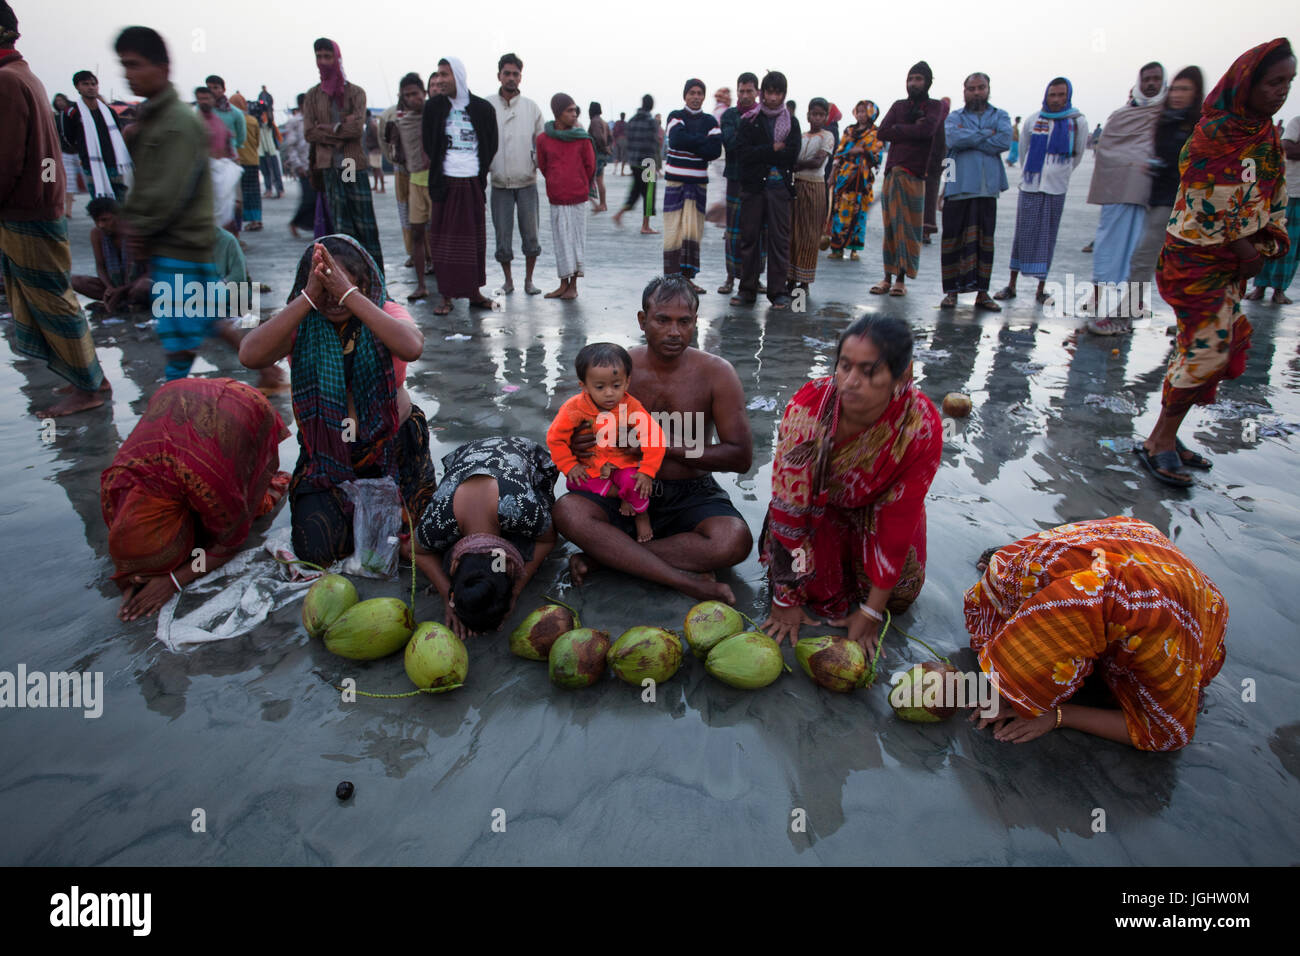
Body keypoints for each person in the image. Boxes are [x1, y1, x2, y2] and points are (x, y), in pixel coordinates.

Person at [1136, 39, 1294, 489]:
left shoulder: (1262, 133)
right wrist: (1245, 248)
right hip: (1196, 260)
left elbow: (1267, 194)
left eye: (1287, 83)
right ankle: (1159, 442)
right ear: (1248, 83)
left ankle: (1164, 436)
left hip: (1232, 262)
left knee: (1198, 349)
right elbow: (1209, 199)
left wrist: (1260, 244)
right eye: (1273, 82)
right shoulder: (1215, 134)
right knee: (1207, 351)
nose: (1280, 91)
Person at [553, 276, 752, 603]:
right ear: (643, 321)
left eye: (684, 321)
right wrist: (580, 444)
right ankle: (686, 581)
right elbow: (577, 432)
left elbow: (740, 457)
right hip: (622, 488)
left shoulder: (718, 373)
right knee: (567, 511)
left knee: (733, 540)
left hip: (691, 492)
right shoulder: (616, 370)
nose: (675, 331)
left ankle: (606, 559)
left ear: (695, 323)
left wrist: (661, 445)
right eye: (663, 320)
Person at [238, 235, 436, 565]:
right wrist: (308, 298)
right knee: (319, 550)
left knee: (414, 538)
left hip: (392, 451)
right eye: (324, 288)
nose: (334, 300)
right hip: (326, 461)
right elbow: (250, 355)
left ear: (363, 282)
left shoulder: (383, 309)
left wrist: (350, 295)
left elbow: (412, 347)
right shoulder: (300, 319)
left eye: (341, 286)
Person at [966, 517, 1227, 751]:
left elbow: (1165, 733)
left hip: (1186, 601)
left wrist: (1058, 715)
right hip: (1132, 545)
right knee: (1009, 576)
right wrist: (1005, 683)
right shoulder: (1035, 562)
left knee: (1130, 700)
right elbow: (996, 597)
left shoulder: (1165, 641)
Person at [759, 315, 942, 650]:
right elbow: (789, 509)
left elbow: (900, 516)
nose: (850, 382)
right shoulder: (808, 409)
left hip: (879, 511)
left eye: (868, 371)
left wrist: (873, 610)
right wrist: (786, 600)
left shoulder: (920, 426)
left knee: (900, 593)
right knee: (810, 589)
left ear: (902, 376)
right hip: (817, 510)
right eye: (844, 366)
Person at [102, 377, 291, 622]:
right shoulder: (114, 488)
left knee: (242, 510)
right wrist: (131, 579)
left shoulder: (213, 487)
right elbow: (130, 538)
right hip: (177, 396)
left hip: (241, 404)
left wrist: (173, 580)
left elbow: (228, 544)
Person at [0, 1, 110, 417]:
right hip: (37, 206)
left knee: (52, 299)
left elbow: (7, 159)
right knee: (52, 295)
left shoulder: (7, 81)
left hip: (26, 210)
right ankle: (91, 378)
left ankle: (88, 387)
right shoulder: (24, 76)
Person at [412, 437, 558, 639]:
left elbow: (548, 539)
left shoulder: (520, 509)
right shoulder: (439, 519)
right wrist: (448, 596)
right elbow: (416, 550)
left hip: (526, 453)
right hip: (470, 451)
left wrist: (516, 590)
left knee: (528, 544)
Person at [547, 342, 666, 544]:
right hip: (592, 467)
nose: (609, 393)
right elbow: (555, 438)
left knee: (634, 482)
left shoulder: (631, 406)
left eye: (616, 385)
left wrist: (647, 470)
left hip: (623, 464)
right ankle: (623, 496)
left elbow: (654, 436)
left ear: (627, 382)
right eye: (600, 387)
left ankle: (641, 514)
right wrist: (570, 465)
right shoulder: (574, 408)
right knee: (573, 481)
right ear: (583, 386)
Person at [1085, 61, 1167, 330]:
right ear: (1139, 82)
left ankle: (1134, 302)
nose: (1152, 84)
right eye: (1147, 79)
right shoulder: (1121, 115)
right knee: (1108, 243)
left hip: (1150, 193)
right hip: (1119, 188)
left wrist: (1147, 163)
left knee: (1141, 250)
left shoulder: (1169, 115)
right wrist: (1133, 161)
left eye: (1156, 79)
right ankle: (1096, 295)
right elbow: (1106, 148)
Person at [994, 78, 1087, 303]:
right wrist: (1034, 172)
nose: (1055, 100)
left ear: (1068, 96)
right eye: (1052, 95)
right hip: (1031, 186)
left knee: (1048, 237)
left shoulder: (1077, 122)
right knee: (1022, 235)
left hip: (1056, 189)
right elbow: (1024, 152)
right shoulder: (1033, 120)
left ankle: (1040, 289)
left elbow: (1078, 154)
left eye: (1060, 95)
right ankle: (1012, 284)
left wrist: (1059, 173)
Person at [423, 56, 499, 315]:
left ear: (458, 76)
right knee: (443, 242)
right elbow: (428, 143)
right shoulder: (433, 108)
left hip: (472, 182)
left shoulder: (482, 109)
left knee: (473, 241)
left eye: (445, 75)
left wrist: (474, 171)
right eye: (438, 75)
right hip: (443, 182)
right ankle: (446, 296)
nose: (441, 80)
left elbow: (491, 144)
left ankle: (474, 293)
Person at [1126, 67, 1202, 316]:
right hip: (1158, 198)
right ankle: (1130, 308)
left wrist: (1162, 165)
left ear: (1196, 92)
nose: (1178, 94)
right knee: (1144, 257)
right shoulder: (1164, 121)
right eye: (1176, 88)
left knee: (1176, 264)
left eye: (1185, 89)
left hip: (1183, 203)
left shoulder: (1199, 127)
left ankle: (1128, 314)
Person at [303, 39, 384, 271]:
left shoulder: (355, 93)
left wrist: (327, 128)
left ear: (337, 59)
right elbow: (309, 132)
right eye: (319, 57)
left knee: (363, 224)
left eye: (327, 57)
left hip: (349, 163)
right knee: (341, 227)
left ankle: (375, 278)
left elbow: (357, 129)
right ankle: (349, 280)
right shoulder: (312, 96)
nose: (323, 62)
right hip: (328, 166)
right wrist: (340, 129)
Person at [939, 73, 1012, 311]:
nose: (977, 92)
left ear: (988, 89)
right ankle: (951, 293)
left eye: (981, 88)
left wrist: (970, 137)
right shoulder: (954, 118)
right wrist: (986, 135)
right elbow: (953, 139)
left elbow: (1003, 141)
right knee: (952, 242)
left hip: (986, 189)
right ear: (964, 91)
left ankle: (982, 293)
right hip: (957, 187)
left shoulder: (1000, 116)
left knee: (984, 242)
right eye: (972, 88)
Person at [730, 71, 801, 310]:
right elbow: (743, 154)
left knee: (779, 241)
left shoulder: (792, 122)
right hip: (753, 187)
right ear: (762, 92)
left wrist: (764, 152)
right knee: (749, 239)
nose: (772, 97)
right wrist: (771, 149)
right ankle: (747, 289)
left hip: (779, 188)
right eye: (769, 92)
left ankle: (778, 292)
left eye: (777, 93)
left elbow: (791, 154)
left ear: (783, 94)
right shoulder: (750, 120)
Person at [874, 62, 944, 296]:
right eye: (910, 79)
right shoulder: (899, 105)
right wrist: (911, 128)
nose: (913, 83)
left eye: (918, 79)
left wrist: (899, 129)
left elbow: (928, 131)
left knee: (908, 229)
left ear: (928, 82)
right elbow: (882, 132)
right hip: (892, 172)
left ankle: (901, 280)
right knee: (890, 228)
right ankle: (886, 277)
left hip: (914, 174)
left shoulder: (934, 107)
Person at [485, 53, 544, 295]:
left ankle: (529, 281)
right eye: (507, 73)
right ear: (499, 75)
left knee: (531, 235)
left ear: (521, 77)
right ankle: (508, 281)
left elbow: (541, 144)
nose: (511, 78)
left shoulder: (532, 108)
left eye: (515, 74)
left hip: (527, 182)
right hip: (499, 183)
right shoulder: (487, 106)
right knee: (502, 237)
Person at [662, 78, 722, 291]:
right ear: (685, 95)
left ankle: (687, 279)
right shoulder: (675, 116)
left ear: (704, 96)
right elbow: (676, 140)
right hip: (675, 182)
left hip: (697, 185)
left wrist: (691, 140)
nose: (696, 97)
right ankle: (671, 278)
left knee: (692, 232)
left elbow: (715, 150)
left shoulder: (710, 121)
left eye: (699, 93)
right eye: (692, 93)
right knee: (673, 230)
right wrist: (701, 142)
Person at [535, 93, 595, 299]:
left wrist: (578, 182)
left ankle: (574, 286)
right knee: (561, 241)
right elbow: (543, 165)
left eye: (575, 110)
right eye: (569, 110)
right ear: (557, 113)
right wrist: (555, 181)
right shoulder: (543, 139)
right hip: (557, 197)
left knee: (577, 241)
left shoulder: (582, 138)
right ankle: (563, 284)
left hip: (577, 197)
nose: (574, 113)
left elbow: (590, 166)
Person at [1246, 111, 1299, 303]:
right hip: (1291, 192)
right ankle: (1259, 287)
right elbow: (1289, 149)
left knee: (1293, 249)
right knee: (1275, 239)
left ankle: (1279, 290)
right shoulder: (1297, 122)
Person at [388, 73, 431, 301]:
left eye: (415, 93)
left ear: (423, 93)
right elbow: (396, 155)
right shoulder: (402, 124)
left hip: (435, 182)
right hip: (414, 181)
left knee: (439, 235)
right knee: (417, 233)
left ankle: (445, 288)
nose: (412, 99)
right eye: (407, 95)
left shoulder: (435, 116)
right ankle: (421, 284)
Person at [718, 72, 761, 293]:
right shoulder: (729, 115)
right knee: (733, 231)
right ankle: (730, 278)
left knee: (756, 231)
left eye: (749, 91)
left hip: (758, 181)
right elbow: (731, 143)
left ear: (757, 92)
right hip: (735, 179)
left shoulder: (764, 115)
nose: (744, 95)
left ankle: (755, 277)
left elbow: (765, 146)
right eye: (741, 91)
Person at [70, 196, 151, 312]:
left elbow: (152, 271)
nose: (100, 225)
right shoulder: (96, 234)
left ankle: (125, 302)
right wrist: (109, 288)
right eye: (96, 221)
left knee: (143, 287)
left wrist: (122, 290)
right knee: (75, 281)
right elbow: (100, 266)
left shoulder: (134, 231)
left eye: (105, 220)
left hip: (136, 284)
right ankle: (123, 302)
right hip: (116, 286)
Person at [63, 69, 132, 202]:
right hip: (91, 164)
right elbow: (69, 138)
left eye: (93, 84)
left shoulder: (109, 112)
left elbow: (118, 133)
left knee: (119, 202)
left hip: (114, 163)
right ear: (77, 87)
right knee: (99, 203)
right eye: (86, 84)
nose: (91, 87)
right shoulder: (72, 112)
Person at [789, 97, 835, 291]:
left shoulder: (827, 136)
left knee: (810, 233)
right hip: (797, 185)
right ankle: (790, 277)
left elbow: (817, 162)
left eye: (820, 114)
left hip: (815, 187)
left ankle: (804, 281)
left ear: (825, 117)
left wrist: (797, 164)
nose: (816, 118)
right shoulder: (800, 136)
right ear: (808, 115)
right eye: (813, 114)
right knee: (793, 231)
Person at [828, 100, 883, 260]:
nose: (861, 114)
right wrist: (832, 174)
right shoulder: (849, 130)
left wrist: (863, 151)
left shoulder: (875, 133)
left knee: (859, 213)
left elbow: (877, 156)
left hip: (862, 178)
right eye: (858, 111)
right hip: (844, 176)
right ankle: (837, 247)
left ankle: (854, 249)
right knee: (839, 210)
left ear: (871, 113)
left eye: (864, 111)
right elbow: (839, 153)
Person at [613, 95, 659, 233]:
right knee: (649, 193)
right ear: (651, 106)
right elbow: (654, 143)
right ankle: (645, 226)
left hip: (633, 161)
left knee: (637, 190)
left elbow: (629, 141)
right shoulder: (651, 122)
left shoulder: (632, 121)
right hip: (647, 162)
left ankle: (619, 214)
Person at [281, 93, 315, 239]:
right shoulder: (295, 122)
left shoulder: (315, 120)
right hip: (303, 165)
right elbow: (291, 146)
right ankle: (295, 223)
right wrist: (297, 165)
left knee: (316, 198)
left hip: (315, 165)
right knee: (308, 197)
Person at [230, 93, 263, 231]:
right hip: (253, 160)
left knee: (241, 194)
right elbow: (257, 141)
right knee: (254, 192)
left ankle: (246, 220)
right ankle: (257, 220)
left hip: (238, 161)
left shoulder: (233, 120)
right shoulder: (252, 120)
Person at [921, 96, 951, 244]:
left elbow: (948, 151)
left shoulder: (941, 125)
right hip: (933, 167)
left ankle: (925, 230)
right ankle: (925, 231)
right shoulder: (940, 124)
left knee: (927, 199)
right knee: (928, 199)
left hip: (932, 167)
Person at [52, 92, 84, 217]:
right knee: (69, 182)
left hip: (79, 152)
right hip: (65, 152)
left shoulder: (72, 112)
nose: (59, 102)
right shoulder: (57, 117)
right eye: (57, 100)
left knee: (89, 179)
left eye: (61, 100)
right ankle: (68, 210)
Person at [256, 102, 284, 199]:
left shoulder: (270, 123)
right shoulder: (256, 123)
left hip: (271, 149)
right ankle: (268, 189)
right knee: (265, 171)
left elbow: (278, 135)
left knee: (276, 171)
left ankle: (280, 190)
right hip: (260, 150)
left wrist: (277, 145)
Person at [588, 101, 612, 212]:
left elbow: (598, 136)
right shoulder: (604, 122)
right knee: (600, 180)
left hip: (597, 153)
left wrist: (603, 147)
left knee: (592, 180)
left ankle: (599, 205)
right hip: (602, 154)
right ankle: (603, 204)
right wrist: (607, 148)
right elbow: (610, 137)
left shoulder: (594, 121)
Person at [364, 111, 385, 193]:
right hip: (372, 149)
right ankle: (376, 185)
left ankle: (382, 187)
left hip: (375, 149)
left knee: (378, 168)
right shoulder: (370, 123)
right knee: (374, 168)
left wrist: (378, 148)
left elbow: (378, 136)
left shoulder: (372, 124)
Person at [612, 111, 628, 175]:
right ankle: (622, 171)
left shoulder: (617, 123)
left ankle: (615, 170)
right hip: (624, 140)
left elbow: (613, 131)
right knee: (624, 156)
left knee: (616, 155)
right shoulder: (626, 124)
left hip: (617, 139)